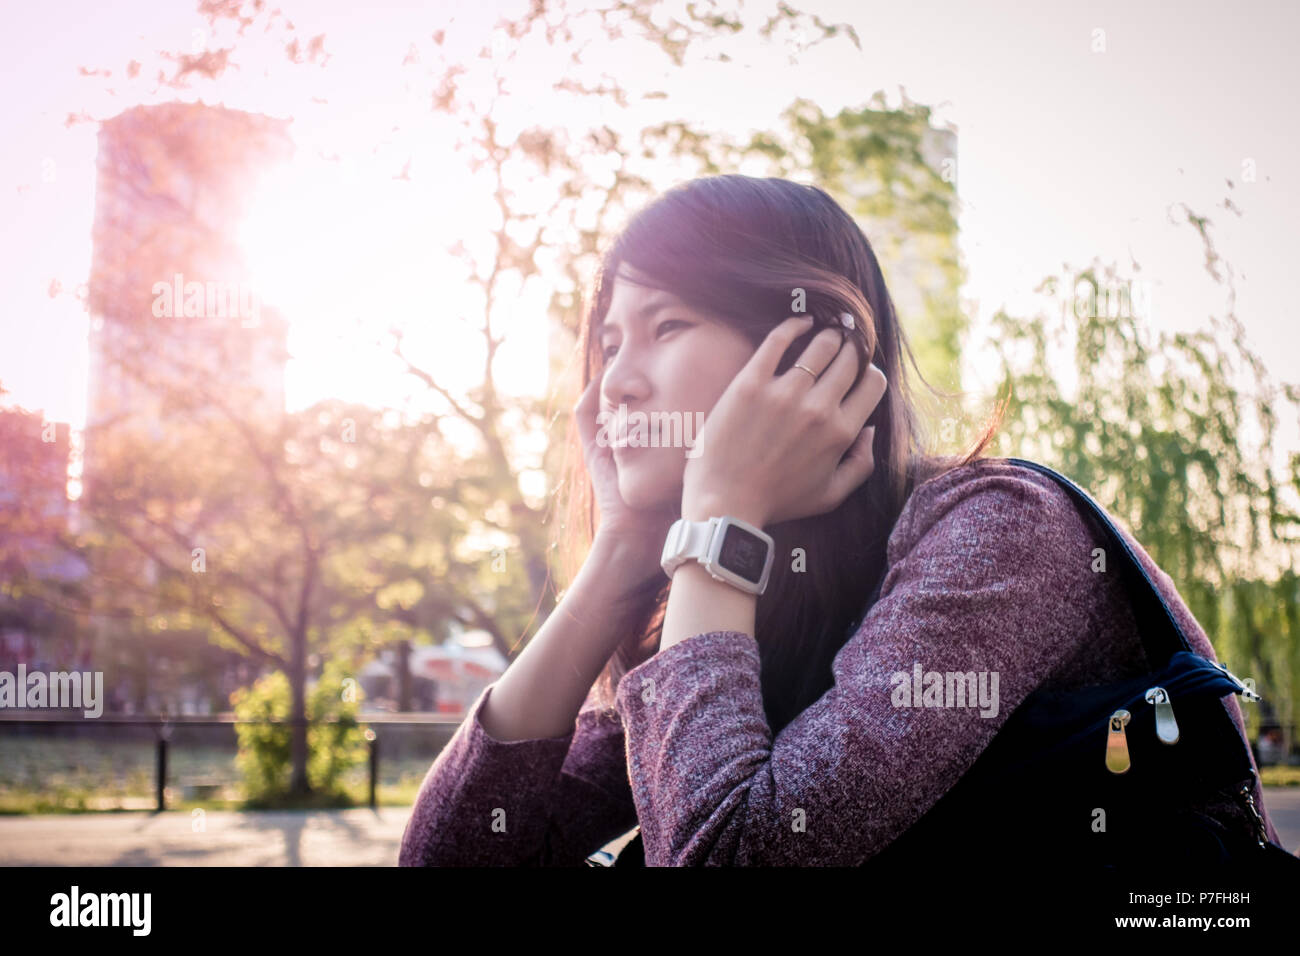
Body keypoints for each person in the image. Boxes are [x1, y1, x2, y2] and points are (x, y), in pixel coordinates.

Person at [398, 174, 1280, 866]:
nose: (614, 383)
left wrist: (718, 526)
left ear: (816, 351)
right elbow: (457, 856)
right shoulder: (720, 600)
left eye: (665, 325)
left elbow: (730, 861)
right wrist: (622, 553)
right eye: (612, 340)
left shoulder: (999, 533)